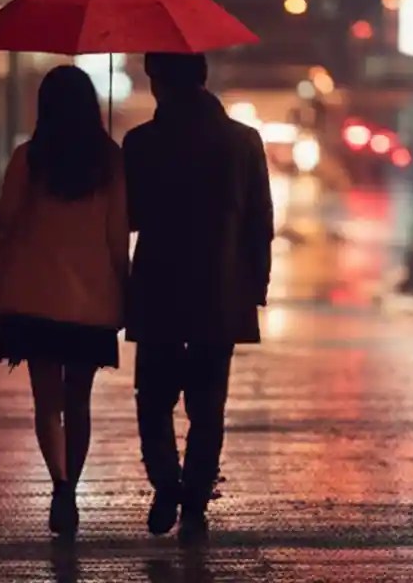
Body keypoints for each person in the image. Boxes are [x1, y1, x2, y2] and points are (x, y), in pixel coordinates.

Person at [123, 52, 274, 543]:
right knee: (208, 404)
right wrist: (256, 286)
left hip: (159, 287)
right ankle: (196, 499)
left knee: (154, 399)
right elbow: (260, 222)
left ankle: (167, 483)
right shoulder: (243, 141)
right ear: (203, 79)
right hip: (220, 288)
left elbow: (130, 217)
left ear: (158, 83)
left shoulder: (142, 142)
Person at [0, 65, 130, 537]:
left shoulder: (29, 159)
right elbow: (116, 238)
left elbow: (6, 221)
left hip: (34, 296)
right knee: (80, 399)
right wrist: (124, 285)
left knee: (47, 400)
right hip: (91, 301)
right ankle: (72, 485)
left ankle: (61, 484)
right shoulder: (109, 162)